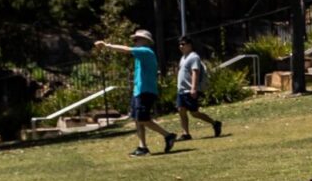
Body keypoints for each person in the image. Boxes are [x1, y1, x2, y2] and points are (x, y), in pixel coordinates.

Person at [94, 28, 174, 156]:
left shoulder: (146, 51)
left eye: (137, 39)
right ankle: (142, 147)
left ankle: (168, 135)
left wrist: (106, 45)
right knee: (138, 119)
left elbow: (126, 50)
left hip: (146, 91)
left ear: (145, 41)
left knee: (143, 119)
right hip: (139, 91)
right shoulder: (140, 55)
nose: (134, 41)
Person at [174, 35, 224, 139]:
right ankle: (185, 134)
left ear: (190, 45)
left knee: (194, 113)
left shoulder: (194, 57)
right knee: (181, 110)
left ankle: (215, 123)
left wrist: (193, 88)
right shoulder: (183, 58)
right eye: (179, 44)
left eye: (183, 44)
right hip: (182, 90)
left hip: (189, 89)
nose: (180, 46)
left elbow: (195, 72)